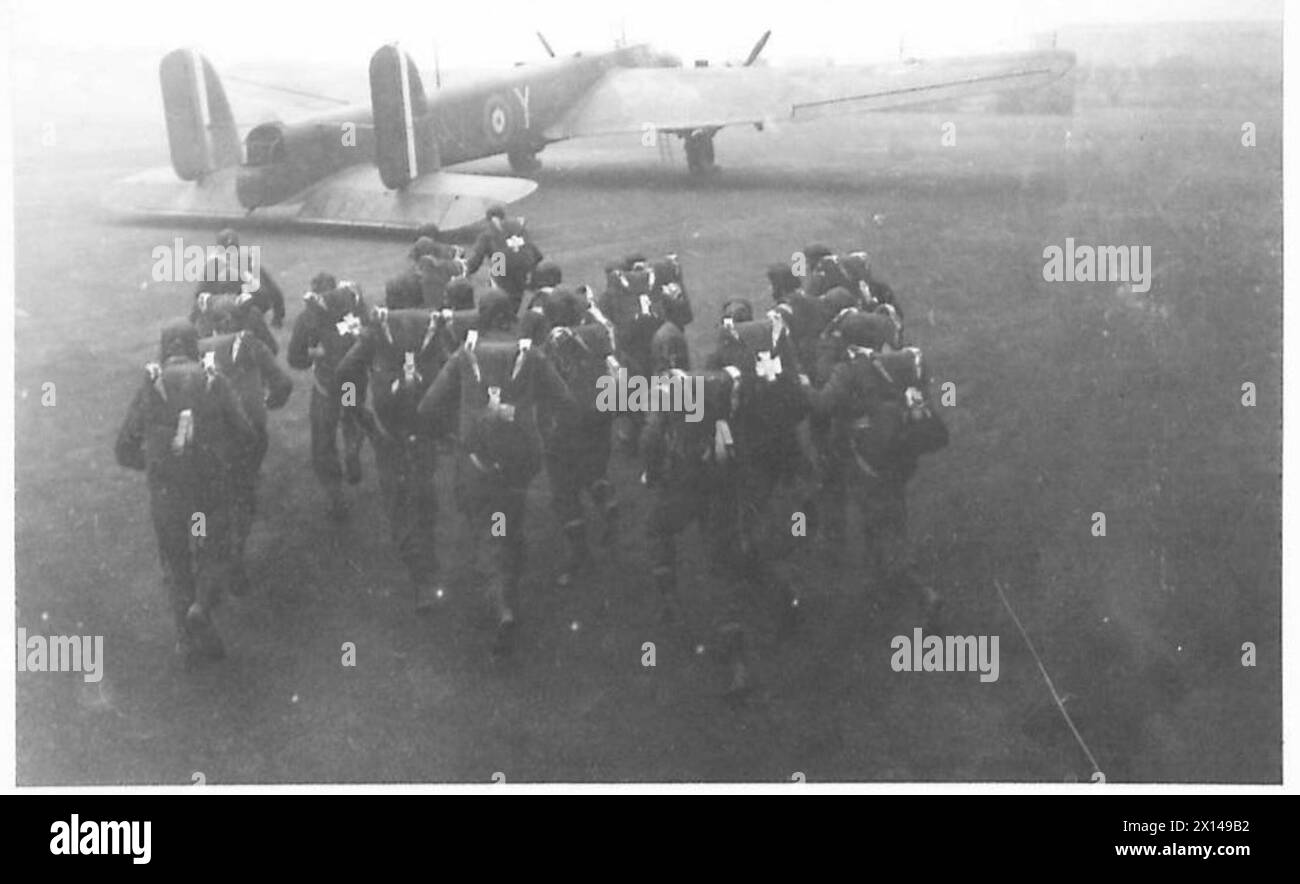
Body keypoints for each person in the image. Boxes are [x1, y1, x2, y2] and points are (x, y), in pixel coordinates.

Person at [418, 288, 574, 655]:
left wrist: (451, 433)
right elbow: (566, 402)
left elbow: (428, 407)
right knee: (508, 518)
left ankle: (503, 600)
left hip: (478, 461)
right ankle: (508, 581)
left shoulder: (465, 354)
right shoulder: (530, 354)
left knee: (488, 527)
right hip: (520, 461)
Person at [115, 320, 259, 663]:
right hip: (206, 490)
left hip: (169, 493)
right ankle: (201, 606)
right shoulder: (213, 379)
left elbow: (124, 448)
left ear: (165, 348)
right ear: (194, 346)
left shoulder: (152, 384)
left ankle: (185, 636)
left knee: (176, 560)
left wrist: (154, 466)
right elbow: (246, 434)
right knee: (211, 548)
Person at [802, 334, 948, 621]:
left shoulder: (849, 369)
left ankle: (921, 592)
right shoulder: (896, 362)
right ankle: (882, 582)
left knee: (880, 523)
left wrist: (804, 385)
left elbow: (823, 405)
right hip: (899, 454)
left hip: (868, 459)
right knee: (891, 514)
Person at [337, 304, 452, 610]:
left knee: (399, 503)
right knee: (423, 495)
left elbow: (344, 372)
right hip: (423, 428)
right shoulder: (431, 328)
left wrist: (355, 409)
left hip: (388, 432)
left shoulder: (377, 330)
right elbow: (453, 371)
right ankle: (428, 565)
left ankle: (422, 576)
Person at [196, 308, 294, 594]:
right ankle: (235, 554)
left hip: (209, 440)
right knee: (242, 494)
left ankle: (204, 551)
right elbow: (283, 383)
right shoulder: (249, 343)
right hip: (247, 435)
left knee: (206, 501)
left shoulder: (196, 349)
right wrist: (268, 402)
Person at [536, 286, 619, 586]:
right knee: (594, 466)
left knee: (563, 488)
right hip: (600, 412)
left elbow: (541, 380)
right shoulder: (597, 332)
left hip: (565, 421)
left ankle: (579, 553)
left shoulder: (552, 341)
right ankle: (605, 496)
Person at [287, 276, 370, 520]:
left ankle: (336, 496)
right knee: (351, 415)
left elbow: (295, 359)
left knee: (323, 440)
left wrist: (315, 354)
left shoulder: (308, 317)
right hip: (352, 382)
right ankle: (352, 446)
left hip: (327, 387)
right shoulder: (355, 306)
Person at [197, 228, 286, 328]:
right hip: (221, 306)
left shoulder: (247, 262)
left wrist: (277, 317)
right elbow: (200, 295)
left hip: (246, 306)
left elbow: (272, 290)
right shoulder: (212, 265)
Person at [464, 205, 543, 311]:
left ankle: (501, 309)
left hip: (501, 260)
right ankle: (515, 309)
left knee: (500, 289)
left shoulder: (488, 232)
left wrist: (465, 271)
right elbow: (533, 250)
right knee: (516, 293)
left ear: (489, 219)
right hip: (523, 262)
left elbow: (477, 258)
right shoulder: (519, 227)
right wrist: (534, 268)